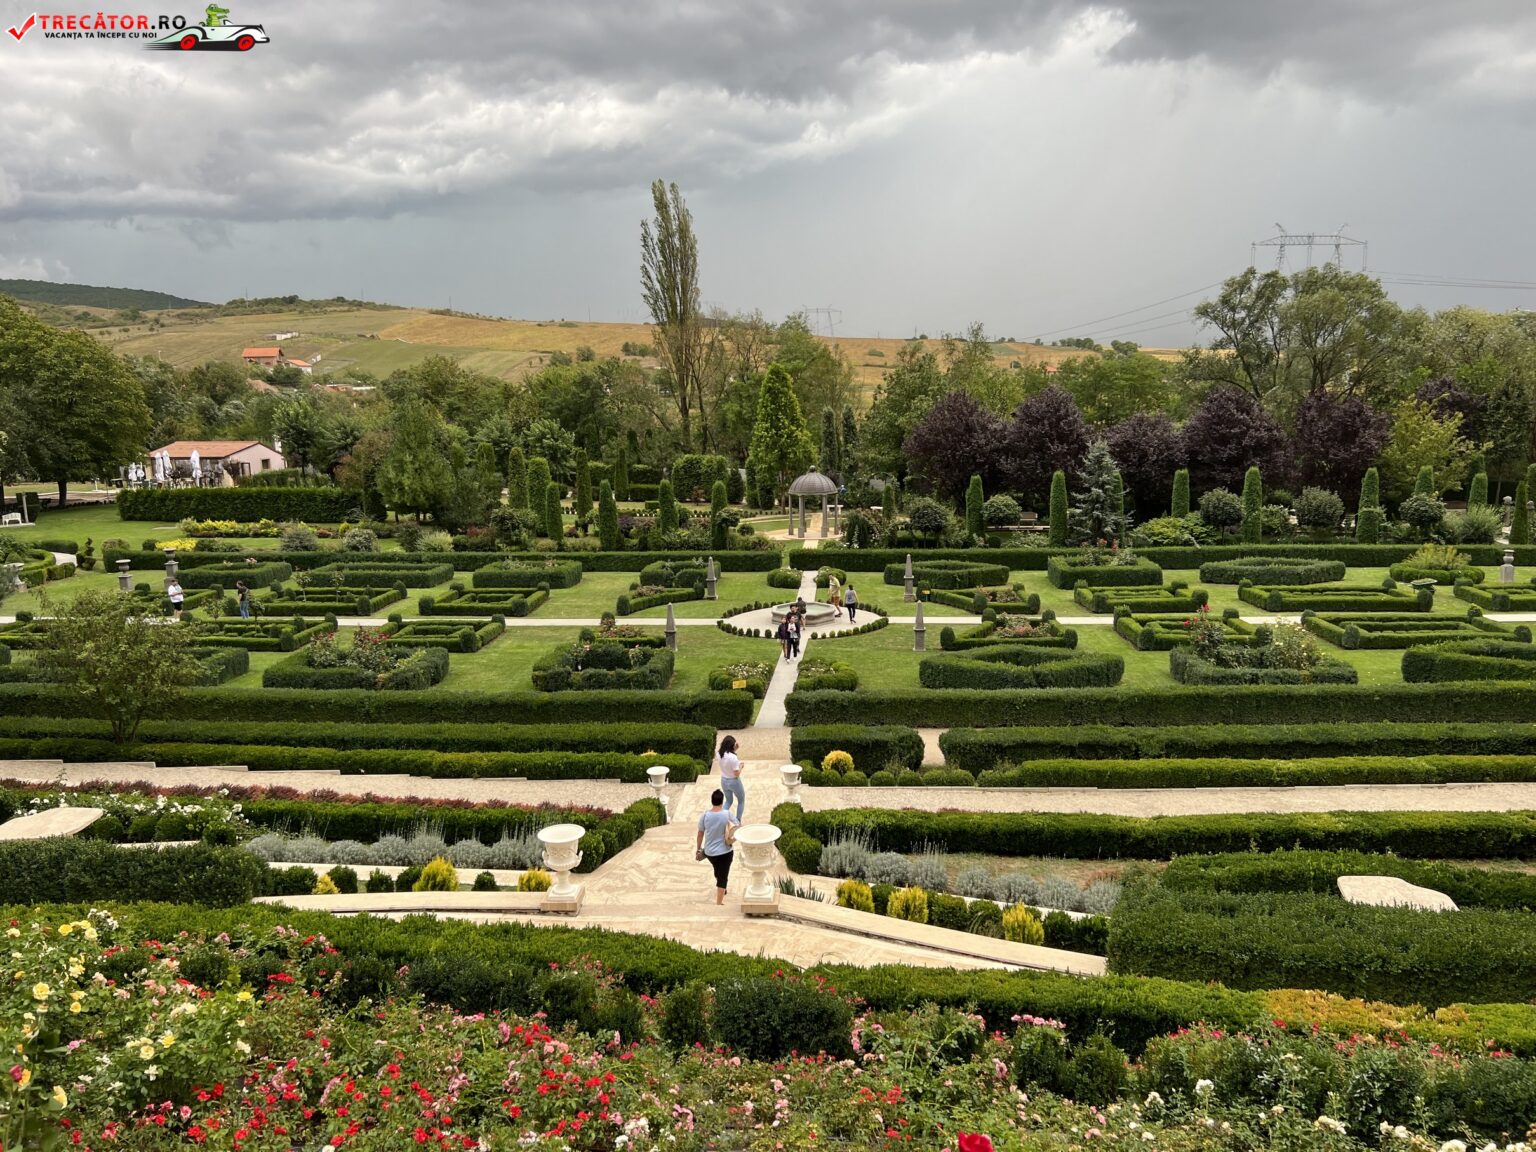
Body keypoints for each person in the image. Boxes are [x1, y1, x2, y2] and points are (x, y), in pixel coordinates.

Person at [695, 789, 738, 905]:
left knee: (718, 871)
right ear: (722, 801)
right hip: (725, 851)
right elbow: (738, 826)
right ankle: (719, 903)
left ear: (712, 801)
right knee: (722, 877)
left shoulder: (705, 816)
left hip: (710, 852)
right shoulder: (727, 814)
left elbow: (700, 833)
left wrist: (698, 849)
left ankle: (722, 889)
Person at [717, 734, 745, 821]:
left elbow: (728, 755)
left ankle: (720, 818)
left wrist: (735, 749)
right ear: (731, 746)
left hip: (724, 781)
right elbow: (737, 773)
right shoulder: (733, 758)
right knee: (741, 800)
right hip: (734, 781)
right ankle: (737, 821)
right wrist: (741, 766)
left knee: (728, 801)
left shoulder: (719, 753)